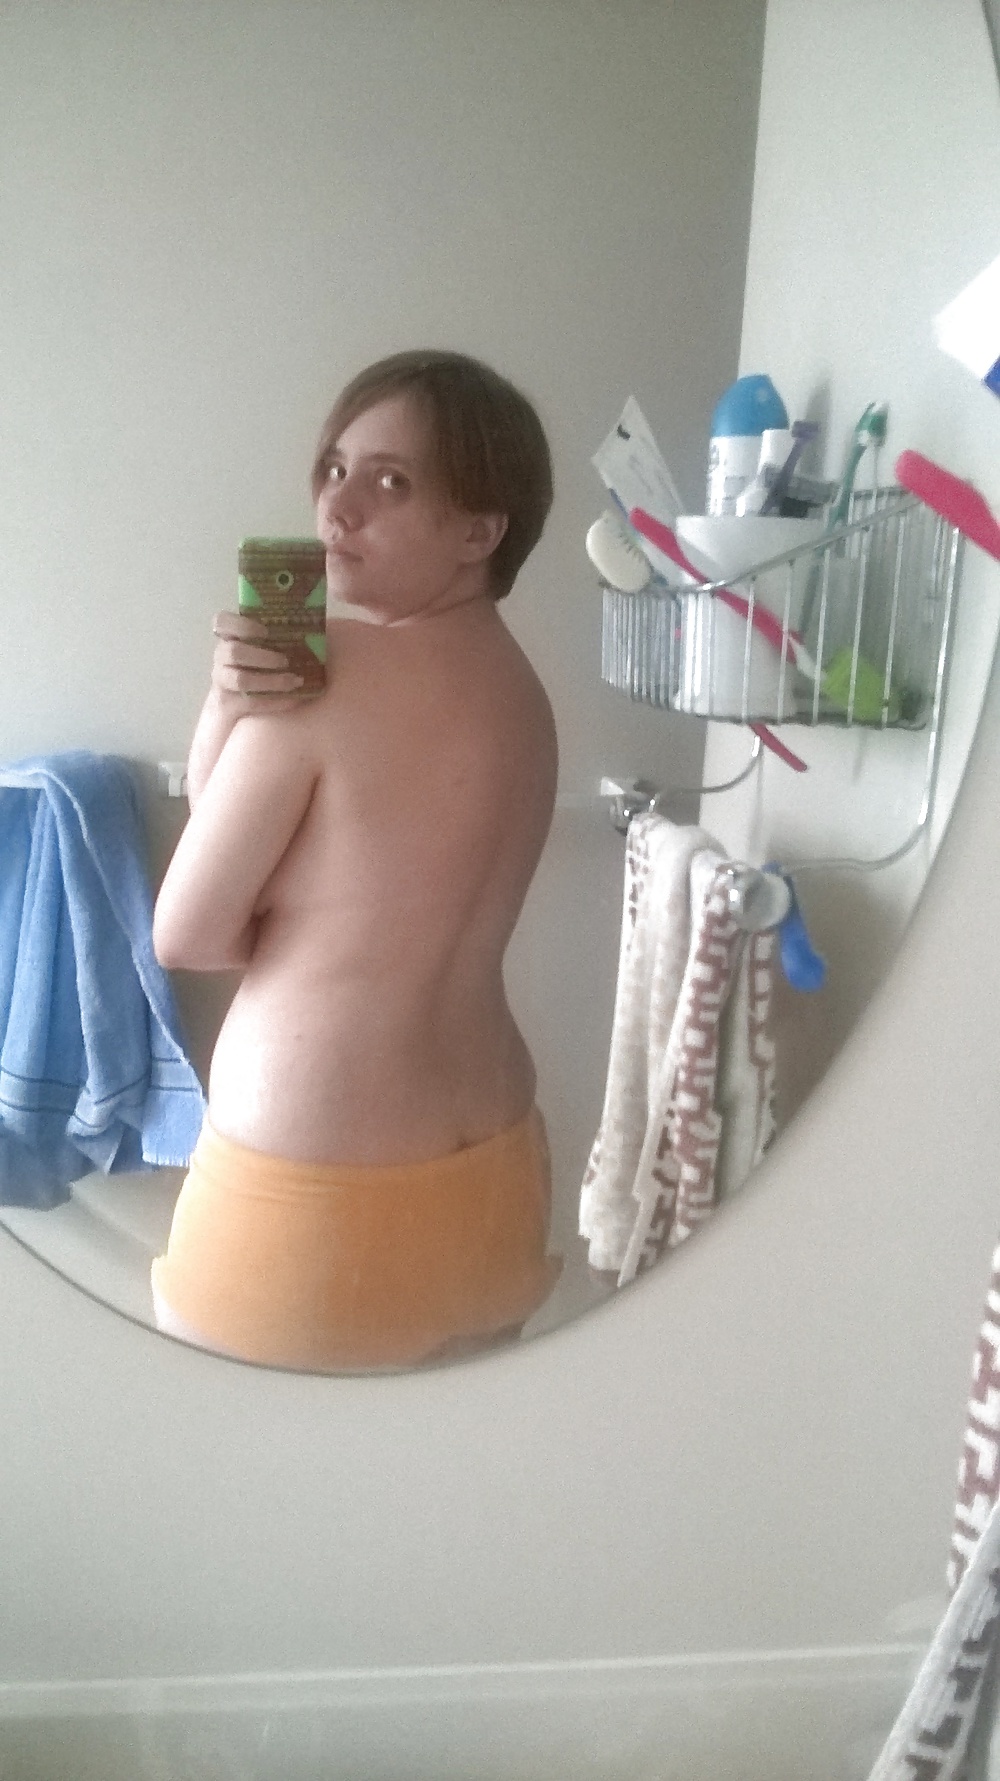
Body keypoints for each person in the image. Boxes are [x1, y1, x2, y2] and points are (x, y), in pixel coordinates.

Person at [150, 350, 561, 1371]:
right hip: (495, 1175)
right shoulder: (523, 697)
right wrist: (231, 704)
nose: (338, 508)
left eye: (391, 481)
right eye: (334, 468)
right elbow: (349, 878)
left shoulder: (332, 673)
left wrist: (235, 708)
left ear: (480, 531)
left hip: (316, 1202)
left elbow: (189, 932)